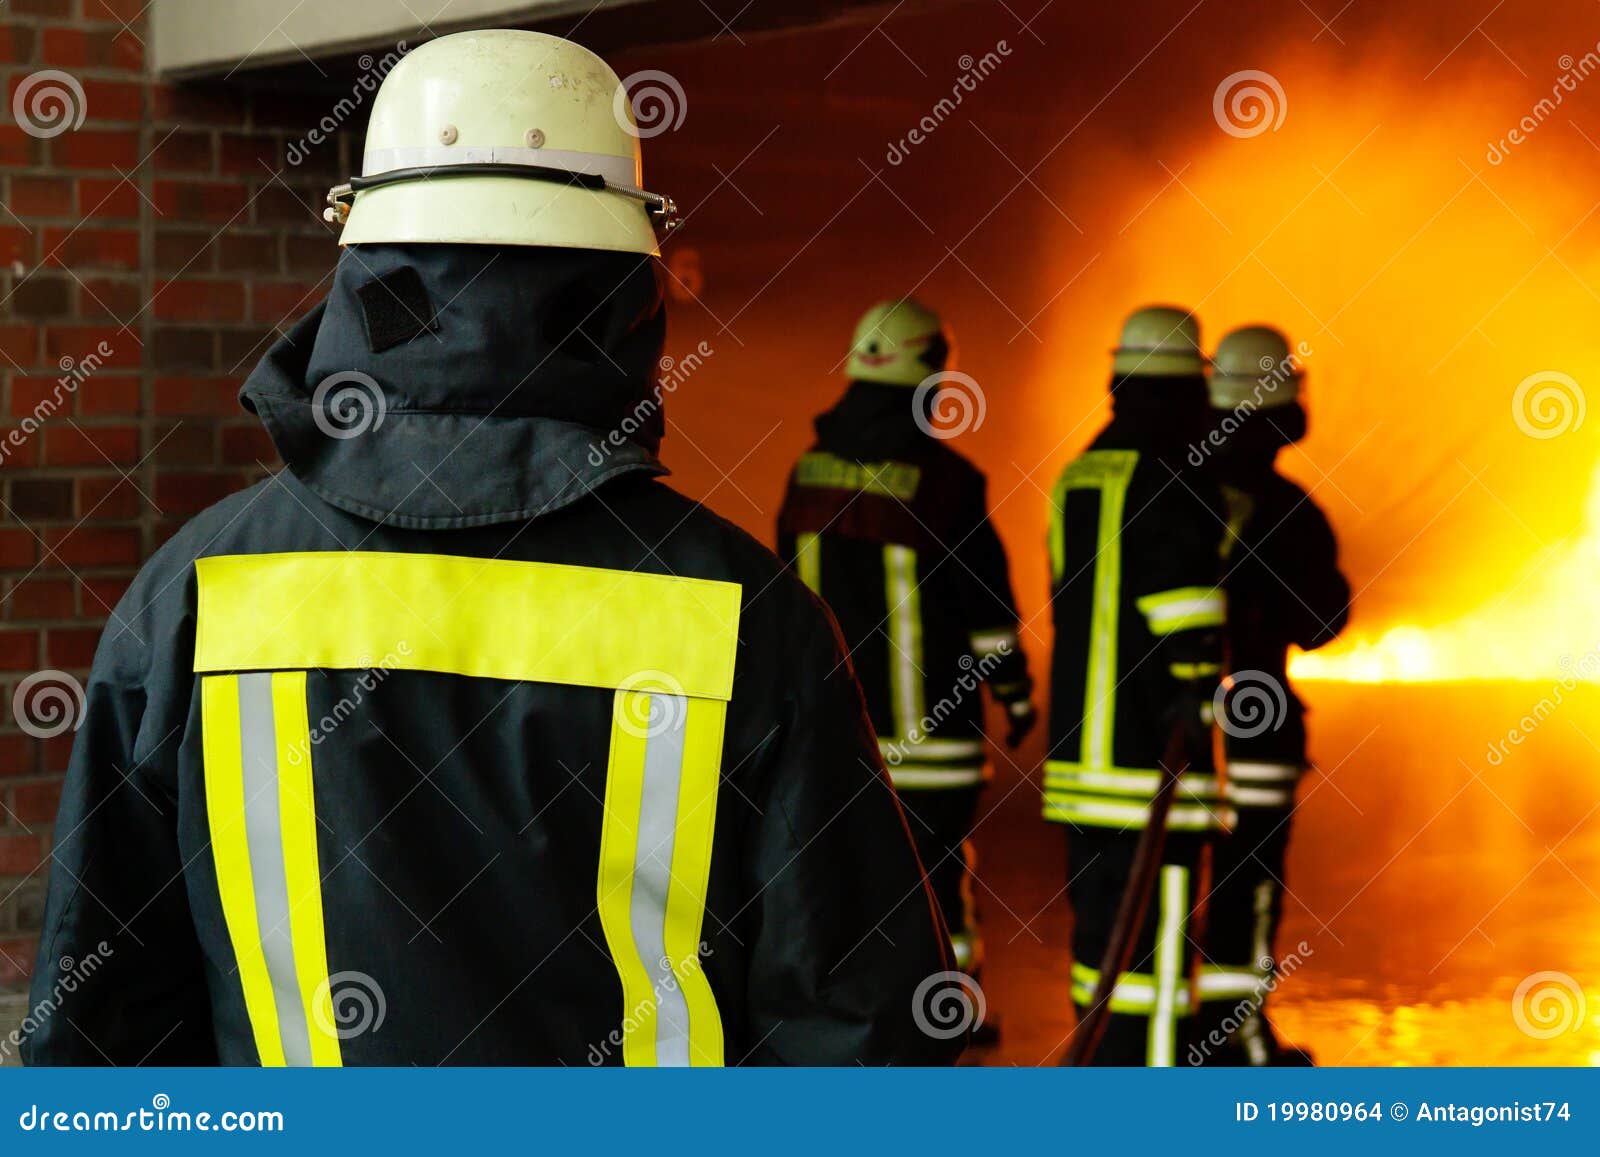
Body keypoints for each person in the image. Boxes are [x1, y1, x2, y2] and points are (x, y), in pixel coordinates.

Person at [22, 29, 955, 1068]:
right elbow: (861, 1029)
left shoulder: (192, 596)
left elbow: (99, 1030)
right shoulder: (745, 608)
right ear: (625, 289)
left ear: (362, 261)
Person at [776, 299, 1035, 1019]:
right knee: (935, 880)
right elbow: (987, 613)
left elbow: (784, 604)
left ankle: (864, 1026)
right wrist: (1014, 695)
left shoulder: (807, 475)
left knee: (851, 880)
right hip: (935, 743)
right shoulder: (947, 480)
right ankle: (948, 1018)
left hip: (839, 742)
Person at [1044, 305, 1230, 1065]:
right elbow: (1183, 604)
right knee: (1156, 962)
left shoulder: (1082, 472)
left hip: (1080, 768)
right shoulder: (1177, 476)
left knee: (1101, 952)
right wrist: (1195, 686)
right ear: (1187, 391)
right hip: (1149, 758)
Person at [1197, 324, 1350, 1065]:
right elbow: (1325, 619)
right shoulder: (1287, 508)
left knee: (1171, 878)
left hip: (1165, 726)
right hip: (1254, 728)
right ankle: (1235, 1038)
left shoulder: (1165, 482)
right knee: (1248, 876)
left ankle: (1167, 1032)